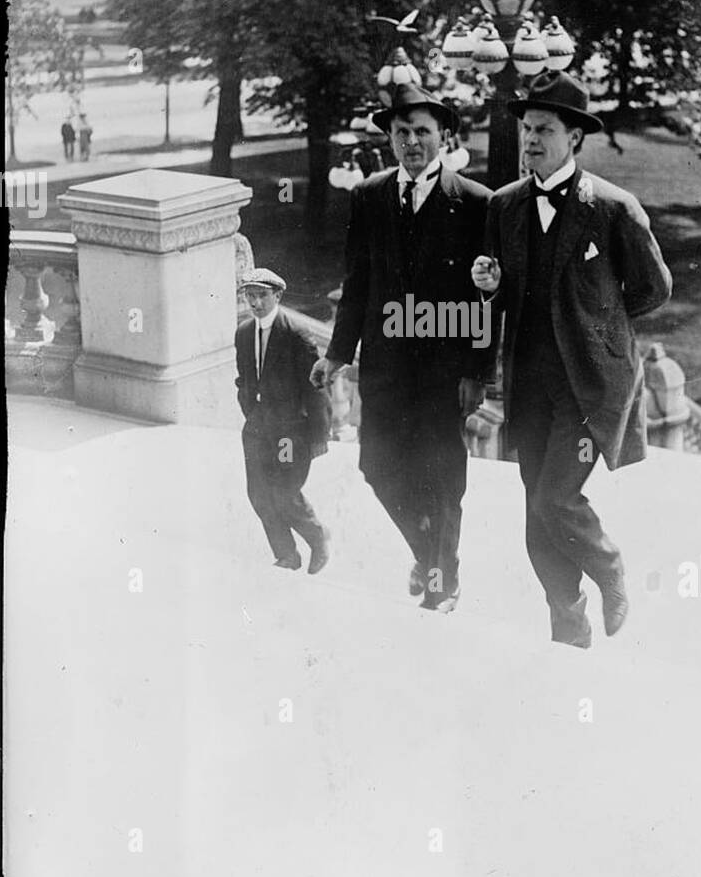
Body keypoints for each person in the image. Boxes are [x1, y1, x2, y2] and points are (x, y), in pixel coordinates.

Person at [472, 70, 672, 649]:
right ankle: (568, 619)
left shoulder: (613, 208)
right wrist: (489, 285)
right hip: (527, 383)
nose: (531, 140)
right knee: (536, 514)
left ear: (574, 138)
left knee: (557, 497)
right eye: (527, 129)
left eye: (545, 130)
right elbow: (504, 290)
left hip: (589, 386)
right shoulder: (505, 206)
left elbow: (654, 288)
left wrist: (600, 320)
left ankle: (608, 569)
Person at [311, 84, 493, 613]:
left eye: (422, 132)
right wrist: (338, 354)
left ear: (444, 137)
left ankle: (441, 579)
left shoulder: (475, 203)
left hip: (445, 369)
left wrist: (477, 369)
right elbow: (358, 281)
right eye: (402, 133)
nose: (412, 142)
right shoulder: (368, 195)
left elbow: (485, 297)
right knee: (378, 466)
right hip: (386, 368)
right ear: (390, 139)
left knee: (441, 475)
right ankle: (430, 554)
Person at [236, 268, 331, 574]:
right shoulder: (243, 333)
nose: (255, 302)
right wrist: (250, 412)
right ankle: (287, 554)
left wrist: (319, 436)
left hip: (290, 433)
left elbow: (315, 386)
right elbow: (244, 379)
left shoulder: (296, 335)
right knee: (259, 495)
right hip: (258, 428)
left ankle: (317, 538)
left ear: (277, 296)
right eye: (250, 296)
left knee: (285, 492)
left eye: (262, 295)